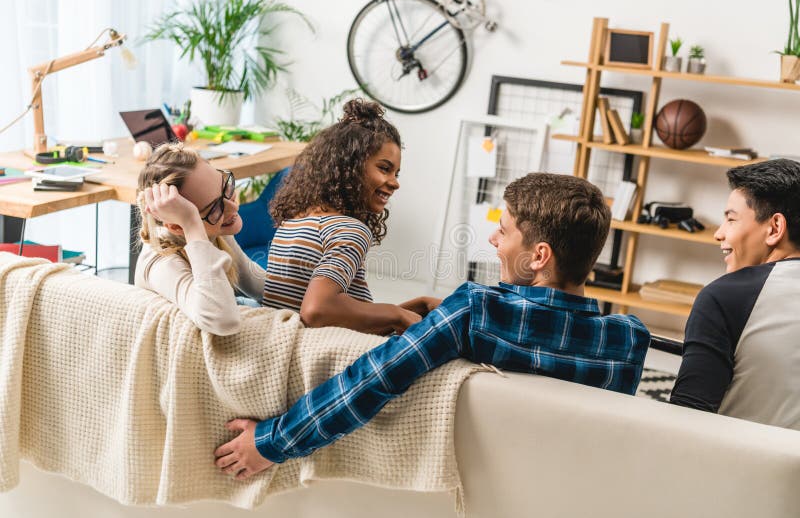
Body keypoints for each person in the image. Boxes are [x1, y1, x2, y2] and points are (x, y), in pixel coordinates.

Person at [214, 172, 651, 479]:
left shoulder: (474, 311)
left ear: (538, 256)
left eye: (504, 232)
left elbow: (373, 379)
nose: (494, 241)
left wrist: (271, 443)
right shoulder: (629, 340)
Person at [261, 98, 437, 335]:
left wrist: (412, 308)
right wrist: (397, 315)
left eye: (396, 173)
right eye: (384, 168)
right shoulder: (350, 230)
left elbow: (325, 311)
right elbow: (317, 310)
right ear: (350, 166)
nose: (395, 183)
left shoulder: (293, 223)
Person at [670, 158, 800, 430]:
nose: (719, 233)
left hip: (738, 468)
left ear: (775, 228)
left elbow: (684, 421)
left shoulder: (722, 298)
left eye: (731, 219)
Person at [135, 143, 265, 336]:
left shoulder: (213, 230)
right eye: (215, 209)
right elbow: (222, 320)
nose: (233, 207)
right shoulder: (161, 263)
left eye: (225, 187)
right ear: (178, 226)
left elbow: (259, 285)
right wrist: (191, 223)